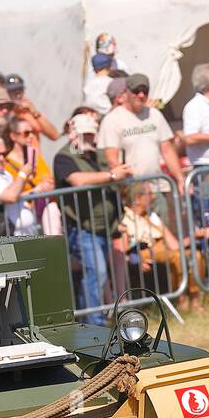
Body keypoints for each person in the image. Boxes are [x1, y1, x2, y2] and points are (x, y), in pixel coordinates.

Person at [54, 108, 129, 323]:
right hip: (82, 227)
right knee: (96, 273)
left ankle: (94, 321)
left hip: (103, 226)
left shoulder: (96, 156)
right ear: (73, 133)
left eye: (90, 134)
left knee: (98, 274)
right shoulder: (63, 157)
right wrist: (113, 175)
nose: (88, 138)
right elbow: (77, 180)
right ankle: (94, 323)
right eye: (84, 134)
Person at [98, 73, 185, 211]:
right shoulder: (112, 120)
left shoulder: (154, 115)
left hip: (157, 188)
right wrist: (132, 184)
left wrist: (180, 178)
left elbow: (167, 150)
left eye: (145, 91)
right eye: (136, 91)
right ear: (126, 92)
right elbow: (111, 158)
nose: (141, 95)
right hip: (132, 192)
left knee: (162, 230)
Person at [117, 181, 191, 309]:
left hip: (163, 249)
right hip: (143, 252)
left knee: (193, 255)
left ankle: (192, 298)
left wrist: (193, 237)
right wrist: (136, 260)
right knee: (179, 257)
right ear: (137, 198)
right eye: (149, 194)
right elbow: (122, 248)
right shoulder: (125, 217)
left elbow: (174, 245)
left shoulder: (151, 215)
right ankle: (182, 299)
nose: (154, 197)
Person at [3, 74, 59, 140]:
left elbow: (55, 136)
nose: (18, 95)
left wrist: (34, 112)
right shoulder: (4, 113)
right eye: (13, 91)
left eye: (20, 91)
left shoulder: (30, 112)